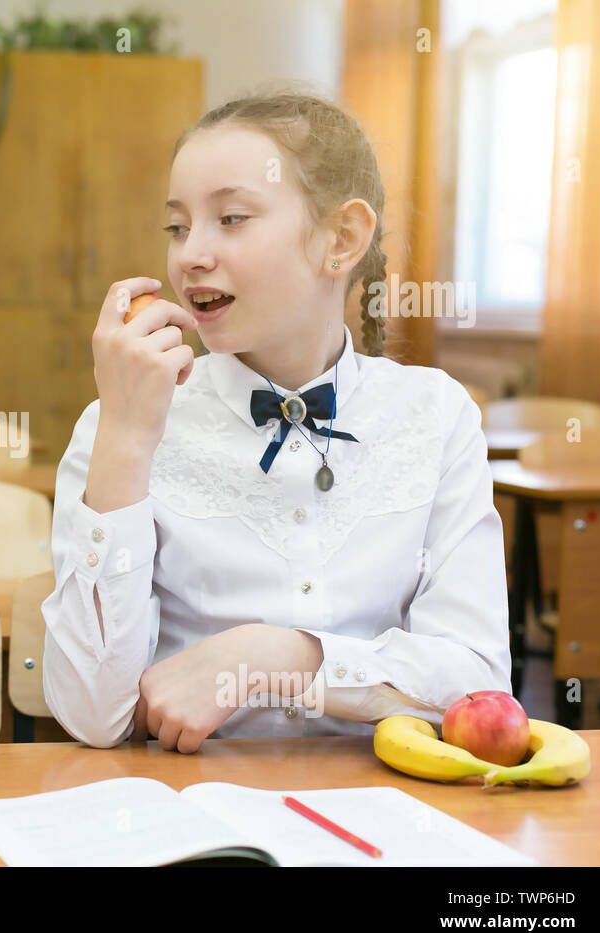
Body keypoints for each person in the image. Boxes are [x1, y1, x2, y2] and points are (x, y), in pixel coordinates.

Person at [42, 90, 509, 752]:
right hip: (191, 814)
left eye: (230, 219)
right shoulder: (117, 424)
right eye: (177, 227)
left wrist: (279, 660)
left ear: (341, 239)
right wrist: (123, 438)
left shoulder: (435, 414)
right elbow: (92, 715)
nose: (190, 256)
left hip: (392, 817)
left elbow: (479, 686)